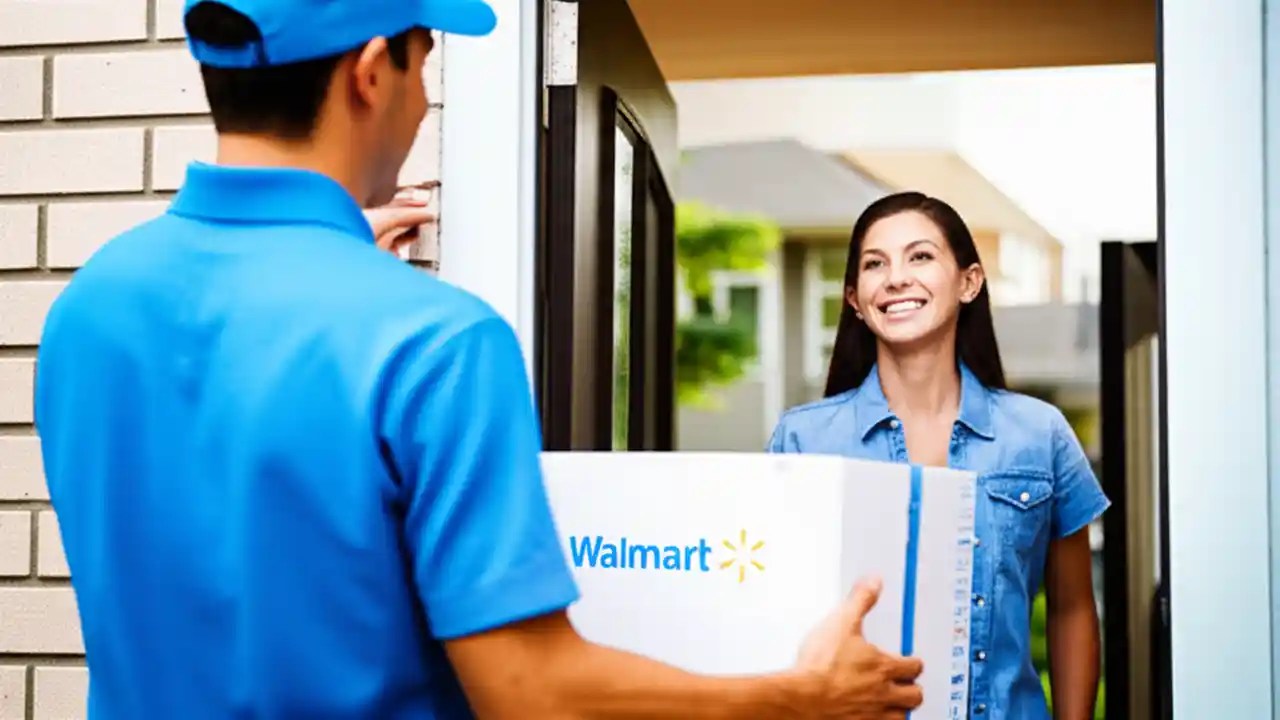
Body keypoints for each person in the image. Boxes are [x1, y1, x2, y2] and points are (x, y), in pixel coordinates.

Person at [33, 0, 925, 717]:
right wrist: (797, 698)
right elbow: (531, 691)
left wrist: (338, 266)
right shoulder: (435, 342)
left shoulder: (90, 305)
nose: (425, 100)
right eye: (426, 61)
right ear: (371, 70)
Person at [767, 192, 1109, 720]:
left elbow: (1071, 610)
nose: (896, 277)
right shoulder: (803, 439)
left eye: (920, 256)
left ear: (969, 282)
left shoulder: (1040, 434)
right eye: (875, 264)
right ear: (855, 299)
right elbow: (777, 614)